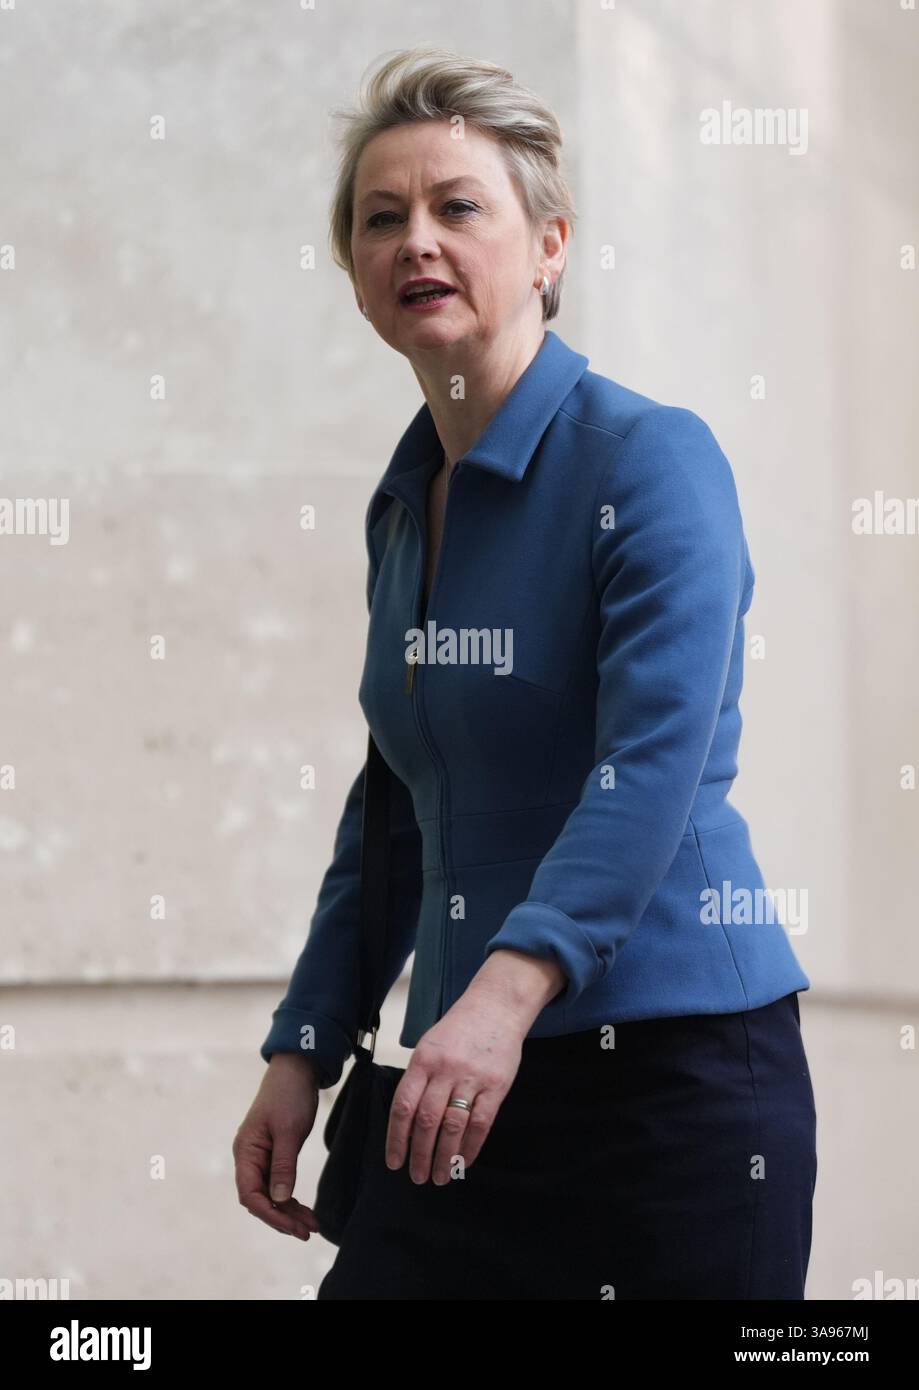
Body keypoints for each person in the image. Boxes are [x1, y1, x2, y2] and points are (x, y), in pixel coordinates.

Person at [233, 46, 818, 1300]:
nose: (415, 240)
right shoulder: (402, 510)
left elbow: (652, 757)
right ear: (352, 273)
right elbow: (396, 806)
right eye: (379, 217)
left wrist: (508, 991)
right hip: (453, 1091)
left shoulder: (651, 461)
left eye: (458, 207)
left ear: (549, 247)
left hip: (669, 1093)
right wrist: (307, 1044)